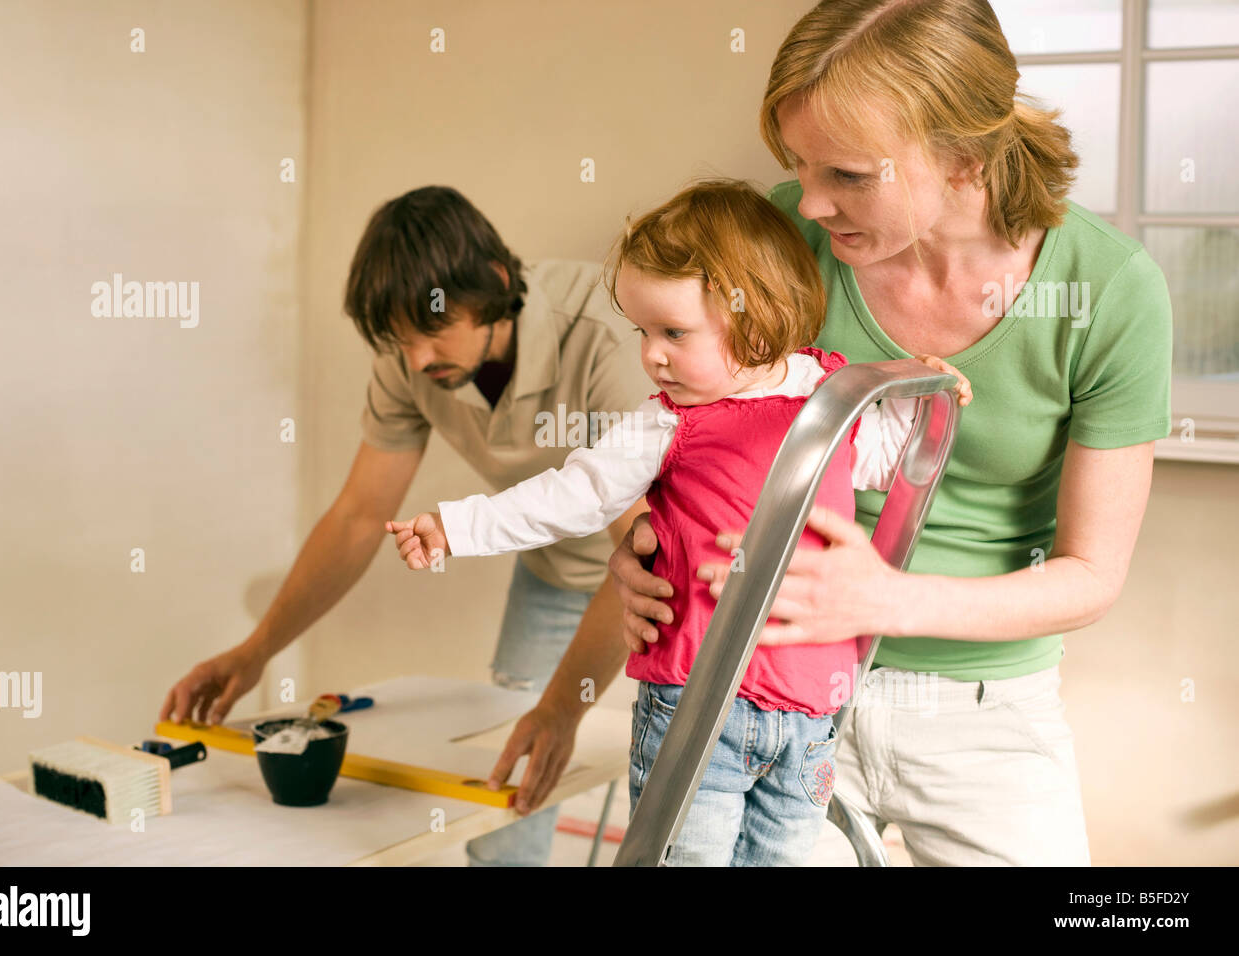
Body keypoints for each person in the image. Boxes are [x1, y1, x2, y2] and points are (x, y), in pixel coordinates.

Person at [608, 0, 1172, 866]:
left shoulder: (1110, 288)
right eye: (798, 164)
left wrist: (884, 601)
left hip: (984, 715)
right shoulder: (782, 240)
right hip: (760, 687)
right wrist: (639, 543)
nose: (811, 200)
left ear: (966, 156)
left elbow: (1091, 575)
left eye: (847, 174)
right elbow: (683, 433)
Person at [387, 179, 972, 865]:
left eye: (673, 332)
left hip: (809, 713)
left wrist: (926, 398)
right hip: (697, 709)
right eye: (643, 331)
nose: (651, 355)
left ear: (757, 321)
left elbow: (891, 462)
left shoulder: (830, 400)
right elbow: (574, 495)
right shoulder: (665, 423)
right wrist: (457, 527)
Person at [159, 185, 655, 867]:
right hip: (553, 571)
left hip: (662, 565)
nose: (417, 359)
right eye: (401, 340)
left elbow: (642, 552)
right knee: (509, 788)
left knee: (668, 776)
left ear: (495, 283)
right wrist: (255, 651)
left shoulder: (608, 336)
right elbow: (358, 516)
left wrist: (565, 706)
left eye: (431, 331)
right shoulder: (410, 362)